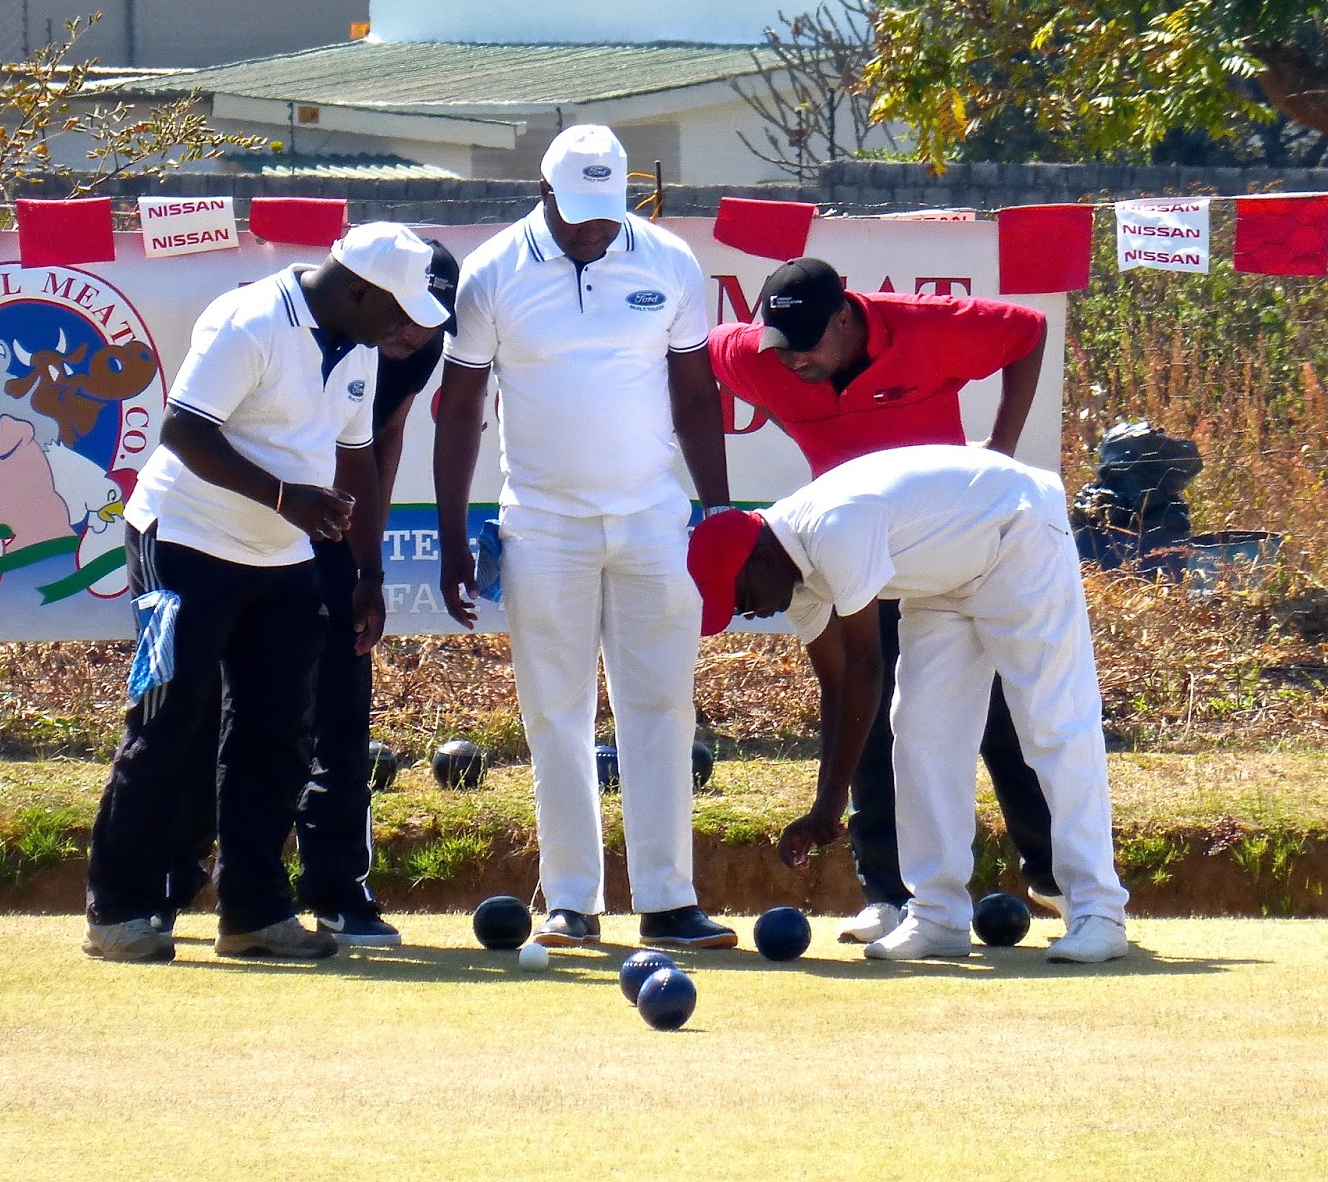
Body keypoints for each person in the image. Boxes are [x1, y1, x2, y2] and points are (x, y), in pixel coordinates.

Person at [83, 222, 449, 963]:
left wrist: (369, 575)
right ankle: (117, 908)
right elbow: (183, 430)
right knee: (168, 717)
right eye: (398, 310)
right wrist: (287, 499)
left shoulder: (359, 347)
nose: (407, 328)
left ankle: (252, 912)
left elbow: (357, 463)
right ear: (357, 290)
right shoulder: (249, 319)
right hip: (179, 543)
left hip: (284, 560)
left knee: (279, 731)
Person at [434, 124, 738, 950]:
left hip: (653, 522)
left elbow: (694, 393)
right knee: (555, 716)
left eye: (607, 215)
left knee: (663, 708)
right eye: (578, 217)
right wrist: (454, 533)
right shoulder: (492, 272)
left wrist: (719, 515)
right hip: (542, 524)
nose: (595, 232)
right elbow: (459, 408)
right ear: (543, 195)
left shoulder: (669, 260)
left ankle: (669, 902)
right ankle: (572, 901)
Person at [709, 256, 1065, 944]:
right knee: (871, 715)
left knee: (994, 715)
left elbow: (1027, 331)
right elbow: (690, 361)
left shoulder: (924, 328)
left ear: (846, 317)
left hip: (949, 547)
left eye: (810, 341)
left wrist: (1002, 449)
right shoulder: (755, 356)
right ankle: (890, 893)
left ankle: (1052, 873)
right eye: (783, 347)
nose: (796, 361)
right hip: (852, 551)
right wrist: (803, 426)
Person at [686, 445, 1131, 963]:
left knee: (1052, 723)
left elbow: (864, 669)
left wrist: (829, 808)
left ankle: (1099, 910)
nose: (748, 613)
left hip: (1017, 532)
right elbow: (836, 686)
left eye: (740, 597)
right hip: (943, 576)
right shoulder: (793, 577)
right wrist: (824, 809)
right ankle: (938, 914)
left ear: (759, 555)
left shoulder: (834, 527)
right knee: (921, 731)